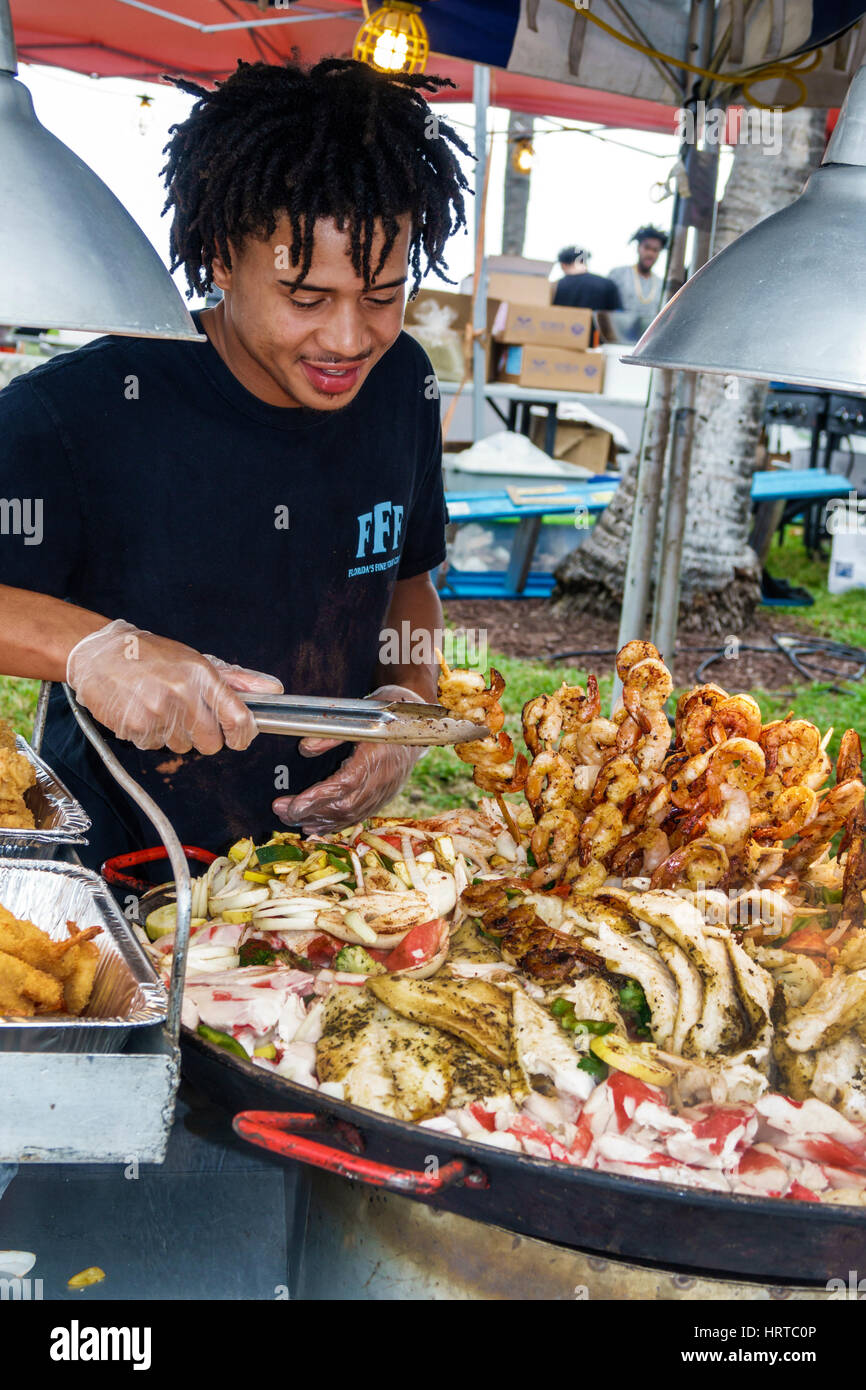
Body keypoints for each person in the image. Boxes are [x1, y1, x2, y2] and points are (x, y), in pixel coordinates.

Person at [0, 58, 472, 867]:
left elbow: (408, 582)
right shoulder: (79, 409)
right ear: (221, 257)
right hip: (120, 869)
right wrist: (94, 649)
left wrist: (410, 715)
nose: (349, 339)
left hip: (314, 877)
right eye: (306, 297)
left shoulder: (404, 385)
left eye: (383, 295)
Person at [608, 225, 669, 342]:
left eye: (655, 250)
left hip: (647, 343)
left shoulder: (662, 284)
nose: (650, 253)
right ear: (638, 248)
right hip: (618, 340)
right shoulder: (618, 274)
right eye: (647, 248)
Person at [552, 245, 623, 312]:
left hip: (563, 324)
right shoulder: (607, 284)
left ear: (563, 265)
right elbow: (616, 313)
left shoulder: (555, 286)